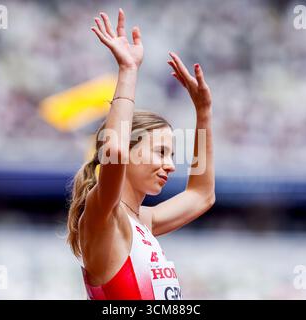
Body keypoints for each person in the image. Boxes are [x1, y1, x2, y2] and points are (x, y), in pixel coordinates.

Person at [67, 8, 215, 300]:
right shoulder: (104, 216)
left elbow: (202, 196)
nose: (170, 166)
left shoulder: (142, 222)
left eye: (171, 154)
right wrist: (128, 70)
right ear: (130, 155)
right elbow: (115, 150)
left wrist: (204, 113)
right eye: (160, 152)